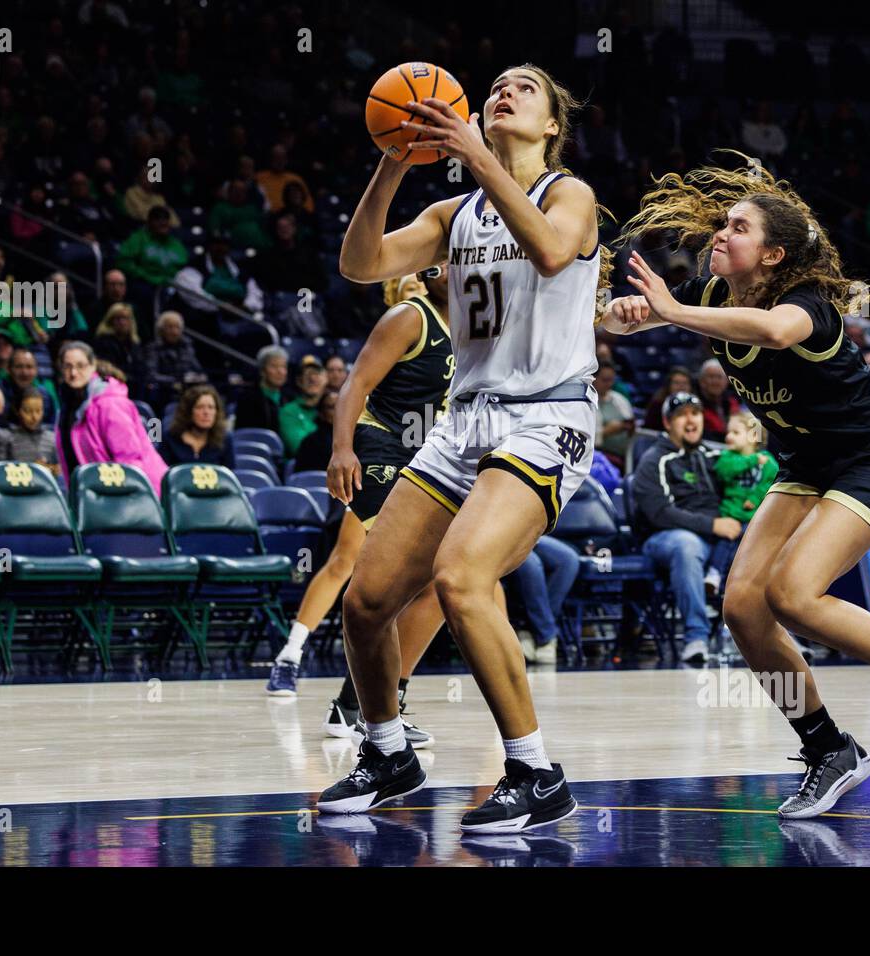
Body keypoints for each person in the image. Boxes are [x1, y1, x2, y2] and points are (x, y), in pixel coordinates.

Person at [606, 151, 870, 818]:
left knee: (793, 594)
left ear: (771, 255)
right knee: (743, 607)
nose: (721, 233)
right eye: (724, 224)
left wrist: (671, 311)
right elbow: (629, 320)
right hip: (807, 465)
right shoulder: (712, 296)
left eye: (738, 228)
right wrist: (617, 313)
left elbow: (772, 333)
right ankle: (830, 748)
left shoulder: (807, 307)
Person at [317, 64, 609, 832]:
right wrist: (393, 161)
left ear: (551, 125)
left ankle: (536, 770)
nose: (503, 92)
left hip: (548, 416)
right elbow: (360, 264)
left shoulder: (569, 195)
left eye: (525, 88)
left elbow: (549, 252)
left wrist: (475, 153)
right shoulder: (453, 213)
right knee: (366, 600)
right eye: (496, 86)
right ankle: (386, 754)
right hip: (466, 422)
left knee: (461, 576)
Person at [266, 268, 454, 760]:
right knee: (359, 567)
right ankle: (296, 658)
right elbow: (356, 384)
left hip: (427, 459)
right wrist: (342, 448)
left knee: (439, 580)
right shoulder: (411, 318)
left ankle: (365, 704)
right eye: (435, 266)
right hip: (379, 453)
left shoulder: (479, 330)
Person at [631, 392, 733, 665]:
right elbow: (660, 514)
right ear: (667, 423)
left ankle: (779, 635)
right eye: (682, 415)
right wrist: (712, 524)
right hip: (663, 539)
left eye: (695, 413)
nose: (691, 420)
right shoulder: (654, 460)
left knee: (759, 542)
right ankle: (696, 637)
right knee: (686, 545)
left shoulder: (716, 456)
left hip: (716, 538)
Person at [54, 340, 168, 496]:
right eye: (68, 366)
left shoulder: (110, 403)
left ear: (93, 366)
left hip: (138, 494)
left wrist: (130, 499)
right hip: (97, 497)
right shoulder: (66, 409)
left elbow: (129, 459)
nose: (73, 373)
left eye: (80, 365)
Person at [708, 411, 778, 595]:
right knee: (725, 543)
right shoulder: (727, 457)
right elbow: (725, 471)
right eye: (728, 432)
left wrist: (754, 499)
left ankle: (740, 584)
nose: (728, 436)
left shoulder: (768, 461)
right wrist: (752, 460)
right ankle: (714, 575)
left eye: (736, 432)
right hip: (730, 513)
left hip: (752, 517)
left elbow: (768, 483)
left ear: (754, 436)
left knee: (748, 547)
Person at [512, 535, 582, 664]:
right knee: (530, 563)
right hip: (496, 537)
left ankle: (528, 627)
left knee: (568, 560)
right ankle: (546, 637)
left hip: (524, 533)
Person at [158, 384, 235, 466]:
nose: (206, 412)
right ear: (188, 411)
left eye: (211, 407)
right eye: (200, 407)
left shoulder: (225, 439)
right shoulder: (170, 437)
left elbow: (228, 476)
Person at [0, 387, 57, 472]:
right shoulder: (6, 437)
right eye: (28, 411)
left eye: (38, 410)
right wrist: (32, 469)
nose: (34, 417)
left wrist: (49, 469)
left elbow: (60, 473)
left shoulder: (52, 439)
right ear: (17, 410)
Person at [278, 354, 328, 455]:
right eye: (307, 374)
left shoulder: (335, 408)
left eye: (316, 373)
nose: (312, 378)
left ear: (326, 378)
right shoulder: (288, 412)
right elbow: (299, 448)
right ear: (299, 381)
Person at [232, 344, 287, 432]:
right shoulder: (247, 399)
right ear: (262, 371)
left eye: (283, 366)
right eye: (274, 366)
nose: (280, 371)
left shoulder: (290, 398)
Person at [594, 359, 634, 465]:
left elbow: (630, 422)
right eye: (605, 380)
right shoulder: (587, 403)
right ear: (593, 378)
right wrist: (606, 432)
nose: (609, 384)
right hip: (598, 458)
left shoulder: (620, 399)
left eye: (611, 380)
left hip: (626, 455)